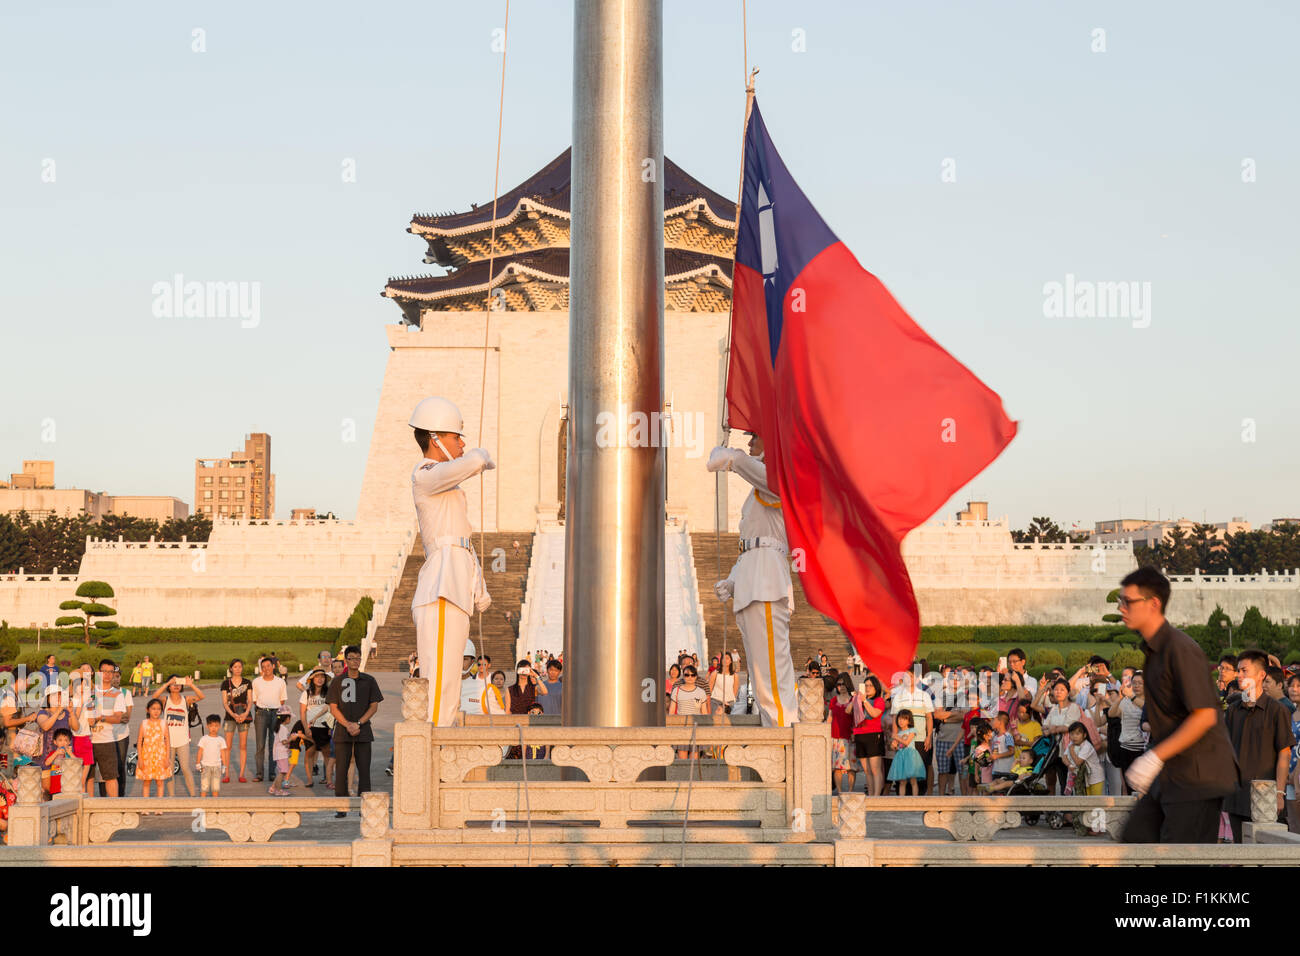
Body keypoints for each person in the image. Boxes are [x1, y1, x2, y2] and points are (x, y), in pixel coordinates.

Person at [1116, 568, 1239, 844]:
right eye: (1120, 601)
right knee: (1135, 842)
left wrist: (1154, 757)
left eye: (1128, 601)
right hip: (1171, 773)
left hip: (1198, 776)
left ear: (1153, 603)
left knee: (1181, 860)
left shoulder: (1179, 648)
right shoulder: (1152, 651)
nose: (1121, 608)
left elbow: (1205, 715)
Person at [408, 396, 495, 725]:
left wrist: (478, 585)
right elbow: (469, 463)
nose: (461, 443)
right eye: (456, 436)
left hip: (455, 585)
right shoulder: (425, 474)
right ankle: (432, 749)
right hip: (442, 587)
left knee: (450, 682)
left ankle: (439, 745)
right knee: (440, 680)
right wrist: (479, 457)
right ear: (435, 438)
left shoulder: (444, 480)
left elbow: (463, 541)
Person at [707, 433, 796, 727]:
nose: (749, 443)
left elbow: (770, 483)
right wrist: (733, 580)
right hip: (752, 582)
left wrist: (734, 459)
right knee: (761, 679)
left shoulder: (779, 479)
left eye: (756, 437)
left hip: (766, 584)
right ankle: (775, 736)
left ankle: (785, 741)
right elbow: (751, 545)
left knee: (773, 674)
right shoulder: (757, 488)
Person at [1222, 649, 1294, 843]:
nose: (1239, 675)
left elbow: (1284, 754)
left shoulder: (1277, 710)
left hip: (1265, 798)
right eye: (1238, 671)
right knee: (1240, 850)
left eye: (1244, 670)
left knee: (1265, 852)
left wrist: (1279, 792)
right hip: (1236, 795)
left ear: (1261, 674)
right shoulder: (1233, 711)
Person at [327, 645, 384, 816]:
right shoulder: (337, 681)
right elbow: (333, 707)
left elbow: (374, 706)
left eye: (358, 658)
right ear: (346, 660)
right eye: (351, 658)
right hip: (342, 731)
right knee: (342, 769)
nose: (355, 661)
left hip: (364, 730)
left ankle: (363, 808)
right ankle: (341, 807)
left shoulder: (369, 680)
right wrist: (347, 725)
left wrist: (358, 723)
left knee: (364, 769)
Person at [154, 676, 204, 798]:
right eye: (173, 684)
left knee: (186, 768)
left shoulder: (186, 699)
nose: (175, 686)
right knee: (169, 769)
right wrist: (166, 683)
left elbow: (201, 696)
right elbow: (154, 697)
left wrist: (190, 684)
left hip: (183, 740)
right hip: (168, 741)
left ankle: (193, 795)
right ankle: (172, 796)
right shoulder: (165, 700)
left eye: (178, 684)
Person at [89, 658, 130, 797]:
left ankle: (114, 806)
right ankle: (88, 806)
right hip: (87, 739)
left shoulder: (117, 694)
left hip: (105, 740)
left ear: (113, 674)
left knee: (110, 776)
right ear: (98, 672)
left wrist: (101, 718)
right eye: (104, 671)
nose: (107, 675)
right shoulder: (89, 690)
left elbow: (118, 718)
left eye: (110, 672)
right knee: (88, 777)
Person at [891, 665, 935, 793]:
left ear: (917, 679)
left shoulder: (924, 695)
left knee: (920, 768)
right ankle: (905, 798)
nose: (909, 679)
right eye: (906, 676)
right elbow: (895, 719)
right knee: (904, 769)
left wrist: (929, 736)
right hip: (903, 738)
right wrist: (895, 737)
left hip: (921, 738)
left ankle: (919, 797)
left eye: (911, 676)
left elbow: (929, 718)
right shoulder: (898, 696)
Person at [1108, 673, 1146, 794]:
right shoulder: (1126, 700)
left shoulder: (1149, 701)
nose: (1136, 686)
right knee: (1128, 785)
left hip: (1142, 748)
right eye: (1134, 683)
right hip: (1125, 747)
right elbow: (1111, 713)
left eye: (1140, 683)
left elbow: (1147, 709)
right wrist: (1121, 697)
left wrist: (1132, 697)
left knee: (1142, 786)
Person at [250, 656, 287, 783]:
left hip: (275, 713)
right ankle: (259, 773)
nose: (266, 669)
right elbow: (254, 699)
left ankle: (272, 773)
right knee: (260, 745)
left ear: (273, 666)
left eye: (268, 666)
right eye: (263, 667)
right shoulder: (256, 682)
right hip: (261, 713)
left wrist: (275, 709)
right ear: (261, 668)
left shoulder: (280, 682)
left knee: (274, 744)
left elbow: (282, 699)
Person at [850, 676, 886, 796]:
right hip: (860, 735)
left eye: (870, 685)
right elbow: (848, 711)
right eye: (866, 685)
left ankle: (877, 795)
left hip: (874, 735)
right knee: (867, 770)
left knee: (875, 769)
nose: (868, 688)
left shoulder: (879, 701)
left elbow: (874, 713)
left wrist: (865, 701)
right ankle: (871, 795)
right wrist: (855, 698)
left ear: (876, 687)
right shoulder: (858, 700)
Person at [221, 658, 253, 783]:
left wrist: (245, 714)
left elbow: (250, 700)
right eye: (235, 667)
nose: (238, 669)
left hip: (244, 716)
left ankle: (241, 774)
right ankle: (227, 774)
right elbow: (224, 702)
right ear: (231, 669)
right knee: (227, 746)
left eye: (240, 667)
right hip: (230, 716)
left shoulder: (247, 682)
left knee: (243, 746)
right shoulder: (225, 683)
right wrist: (233, 715)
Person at [134, 698, 171, 805]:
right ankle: (145, 806)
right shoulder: (144, 723)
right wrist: (140, 759)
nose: (156, 711)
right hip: (147, 757)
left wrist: (167, 758)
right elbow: (139, 741)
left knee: (160, 782)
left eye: (159, 709)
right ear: (148, 710)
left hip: (160, 757)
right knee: (147, 782)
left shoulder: (164, 723)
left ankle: (159, 806)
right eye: (153, 709)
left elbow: (168, 741)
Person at [299, 669, 332, 786]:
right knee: (309, 753)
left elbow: (331, 709)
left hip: (325, 726)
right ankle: (309, 780)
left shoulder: (329, 692)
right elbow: (302, 713)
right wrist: (306, 728)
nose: (320, 679)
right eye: (317, 676)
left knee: (327, 753)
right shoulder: (306, 693)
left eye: (322, 677)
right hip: (310, 727)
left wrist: (331, 727)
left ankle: (329, 780)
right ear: (312, 679)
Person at [826, 675, 857, 793]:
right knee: (837, 767)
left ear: (848, 684)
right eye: (839, 684)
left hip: (849, 737)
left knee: (851, 768)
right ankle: (839, 791)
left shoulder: (853, 699)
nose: (841, 687)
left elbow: (857, 717)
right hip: (836, 737)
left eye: (844, 684)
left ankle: (850, 791)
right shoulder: (834, 700)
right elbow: (830, 717)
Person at [887, 710, 925, 795]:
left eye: (904, 719)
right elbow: (897, 747)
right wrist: (893, 745)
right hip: (901, 756)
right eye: (900, 719)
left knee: (913, 780)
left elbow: (907, 742)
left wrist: (896, 737)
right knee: (902, 781)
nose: (901, 721)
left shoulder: (912, 730)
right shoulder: (899, 733)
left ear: (909, 721)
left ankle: (915, 800)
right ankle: (902, 800)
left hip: (910, 756)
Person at [195, 715, 228, 797]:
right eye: (211, 726)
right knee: (204, 787)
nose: (213, 728)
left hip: (217, 767)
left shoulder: (221, 740)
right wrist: (198, 763)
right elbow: (200, 751)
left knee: (215, 788)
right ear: (207, 726)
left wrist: (224, 766)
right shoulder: (204, 739)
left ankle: (215, 806)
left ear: (219, 726)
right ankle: (203, 805)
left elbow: (223, 753)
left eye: (216, 726)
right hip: (205, 766)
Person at [43, 727, 77, 796]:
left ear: (69, 742)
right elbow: (47, 763)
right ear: (55, 742)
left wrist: (70, 753)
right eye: (60, 740)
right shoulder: (53, 753)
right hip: (55, 787)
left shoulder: (70, 753)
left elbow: (77, 763)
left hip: (68, 786)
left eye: (66, 740)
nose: (63, 743)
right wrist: (56, 753)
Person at [269, 709, 294, 796]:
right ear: (286, 718)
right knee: (283, 772)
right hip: (281, 754)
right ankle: (278, 790)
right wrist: (291, 738)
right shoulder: (283, 728)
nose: (290, 720)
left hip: (279, 753)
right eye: (290, 718)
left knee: (281, 772)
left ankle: (273, 788)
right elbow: (284, 742)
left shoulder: (279, 727)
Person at [458, 640, 485, 719]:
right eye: (458, 658)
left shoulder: (483, 687)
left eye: (465, 659)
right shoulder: (443, 685)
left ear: (472, 661)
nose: (460, 662)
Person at [708, 651, 738, 715]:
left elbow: (735, 691)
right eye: (723, 658)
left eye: (727, 658)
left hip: (729, 703)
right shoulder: (715, 673)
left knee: (728, 723)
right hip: (716, 702)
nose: (725, 660)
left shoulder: (735, 675)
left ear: (731, 661)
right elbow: (709, 689)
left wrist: (729, 702)